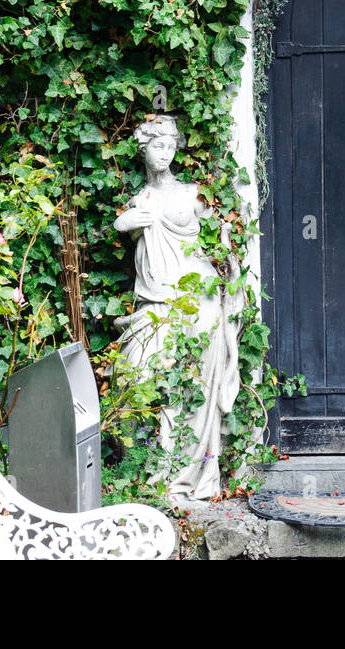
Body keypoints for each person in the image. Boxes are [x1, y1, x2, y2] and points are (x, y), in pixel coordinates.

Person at [114, 115, 242, 499]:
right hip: (156, 301)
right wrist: (124, 223)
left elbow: (222, 244)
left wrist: (227, 276)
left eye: (171, 146)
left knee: (195, 389)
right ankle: (153, 471)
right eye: (158, 146)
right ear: (143, 150)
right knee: (135, 376)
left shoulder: (192, 194)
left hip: (199, 300)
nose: (165, 153)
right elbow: (131, 234)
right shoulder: (139, 201)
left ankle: (189, 476)